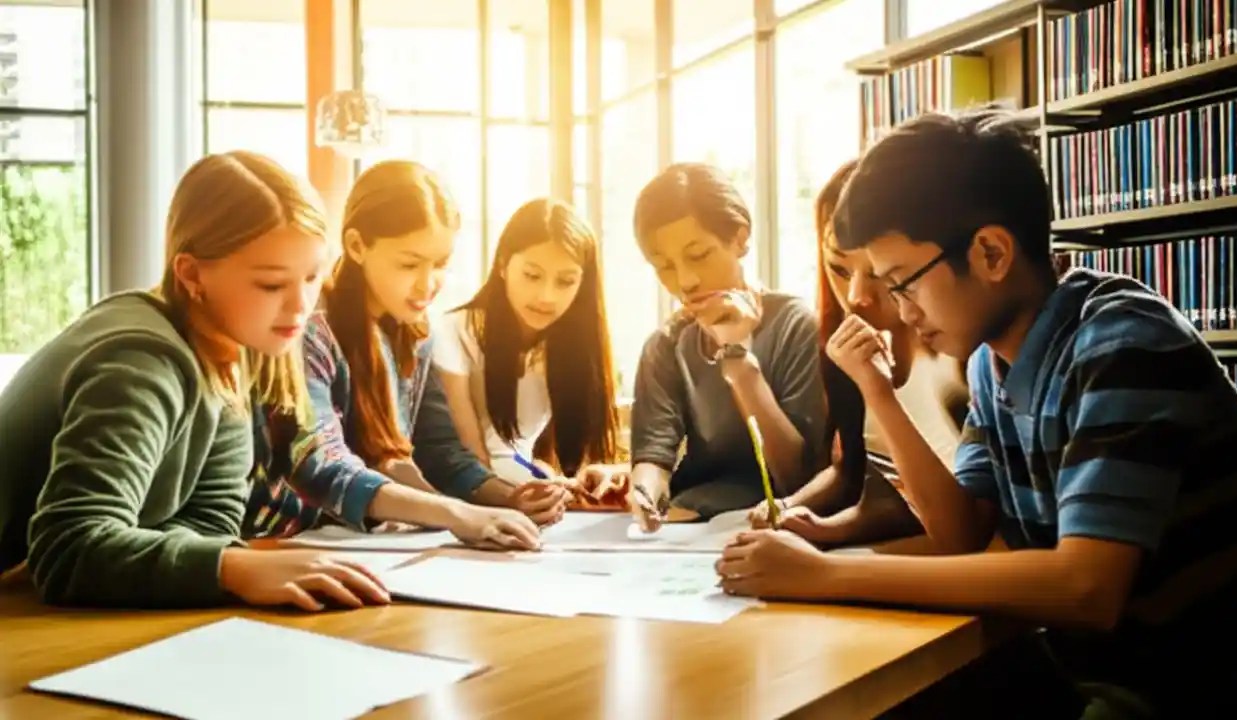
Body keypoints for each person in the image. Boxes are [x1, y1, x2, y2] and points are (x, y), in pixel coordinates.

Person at [716, 110, 1237, 718]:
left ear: (990, 253)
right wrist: (877, 392)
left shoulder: (1121, 343)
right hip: (1099, 669)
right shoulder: (993, 364)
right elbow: (960, 535)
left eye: (903, 282)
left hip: (1201, 684)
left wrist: (826, 577)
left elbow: (1087, 587)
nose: (898, 309)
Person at [0, 151, 389, 610]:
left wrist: (223, 563)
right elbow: (67, 549)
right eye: (270, 285)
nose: (300, 306)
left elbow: (210, 522)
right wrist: (235, 567)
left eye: (311, 278)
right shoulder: (139, 363)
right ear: (190, 273)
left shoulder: (226, 349)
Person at [244, 160, 551, 547]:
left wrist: (509, 498)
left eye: (440, 264)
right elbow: (321, 463)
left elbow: (439, 451)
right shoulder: (307, 330)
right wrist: (456, 514)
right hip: (279, 543)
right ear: (357, 246)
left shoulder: (416, 333)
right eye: (409, 264)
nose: (428, 284)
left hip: (366, 546)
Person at [746, 159, 968, 549]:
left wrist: (831, 549)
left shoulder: (963, 350)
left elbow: (964, 527)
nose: (855, 297)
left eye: (879, 273)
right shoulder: (849, 345)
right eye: (839, 269)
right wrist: (798, 514)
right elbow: (867, 479)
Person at [628, 162, 825, 529]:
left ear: (740, 238)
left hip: (783, 525)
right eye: (664, 266)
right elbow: (653, 456)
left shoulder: (795, 327)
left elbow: (799, 475)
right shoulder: (666, 345)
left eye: (698, 255)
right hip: (693, 525)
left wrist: (738, 357)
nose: (685, 281)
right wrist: (644, 492)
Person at [433, 198, 630, 509]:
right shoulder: (454, 332)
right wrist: (527, 493)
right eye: (532, 275)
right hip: (472, 495)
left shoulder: (572, 344)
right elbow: (472, 461)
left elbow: (532, 455)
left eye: (565, 281)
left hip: (524, 492)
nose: (546, 296)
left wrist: (568, 484)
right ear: (502, 265)